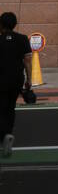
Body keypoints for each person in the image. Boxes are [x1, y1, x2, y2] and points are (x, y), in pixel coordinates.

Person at [0, 12, 32, 156]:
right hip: (16, 79)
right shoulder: (22, 39)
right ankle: (8, 133)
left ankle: (3, 136)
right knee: (10, 107)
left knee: (1, 107)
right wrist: (29, 79)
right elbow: (27, 61)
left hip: (0, 79)